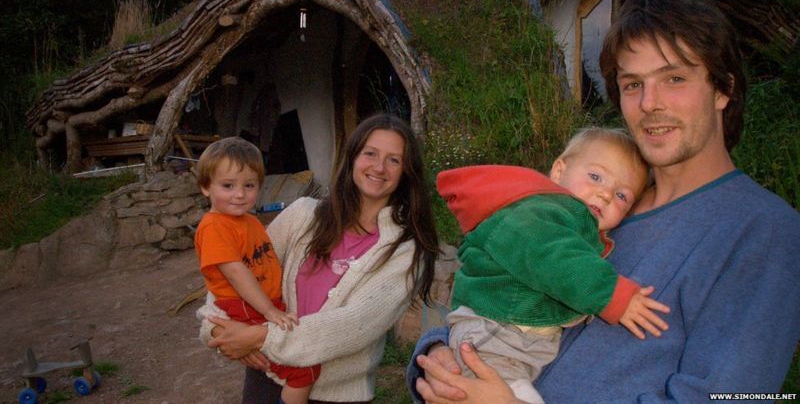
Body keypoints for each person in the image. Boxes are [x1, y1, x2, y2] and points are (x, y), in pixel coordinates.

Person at [408, 0, 800, 403]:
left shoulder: (765, 232)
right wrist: (440, 354)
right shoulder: (599, 202)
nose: (650, 103)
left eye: (675, 79)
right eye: (633, 84)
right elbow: (503, 291)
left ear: (722, 89)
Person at [198, 113, 440, 403]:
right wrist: (217, 328)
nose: (379, 167)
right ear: (352, 157)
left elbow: (355, 324)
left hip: (335, 395)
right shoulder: (302, 215)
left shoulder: (406, 251)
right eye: (370, 153)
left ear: (406, 172)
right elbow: (236, 272)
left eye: (394, 160)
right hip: (266, 376)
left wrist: (258, 337)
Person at [440, 128, 669, 403]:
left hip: (511, 340)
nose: (606, 194)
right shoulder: (542, 212)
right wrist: (613, 295)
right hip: (494, 334)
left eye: (622, 195)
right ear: (559, 171)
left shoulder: (575, 226)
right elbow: (553, 257)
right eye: (595, 177)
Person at [194, 137, 311, 404]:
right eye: (228, 186)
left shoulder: (248, 221)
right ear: (205, 187)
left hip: (262, 304)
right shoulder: (214, 226)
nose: (240, 194)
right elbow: (236, 273)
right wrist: (269, 311)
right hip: (246, 307)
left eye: (249, 185)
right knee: (302, 371)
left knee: (297, 366)